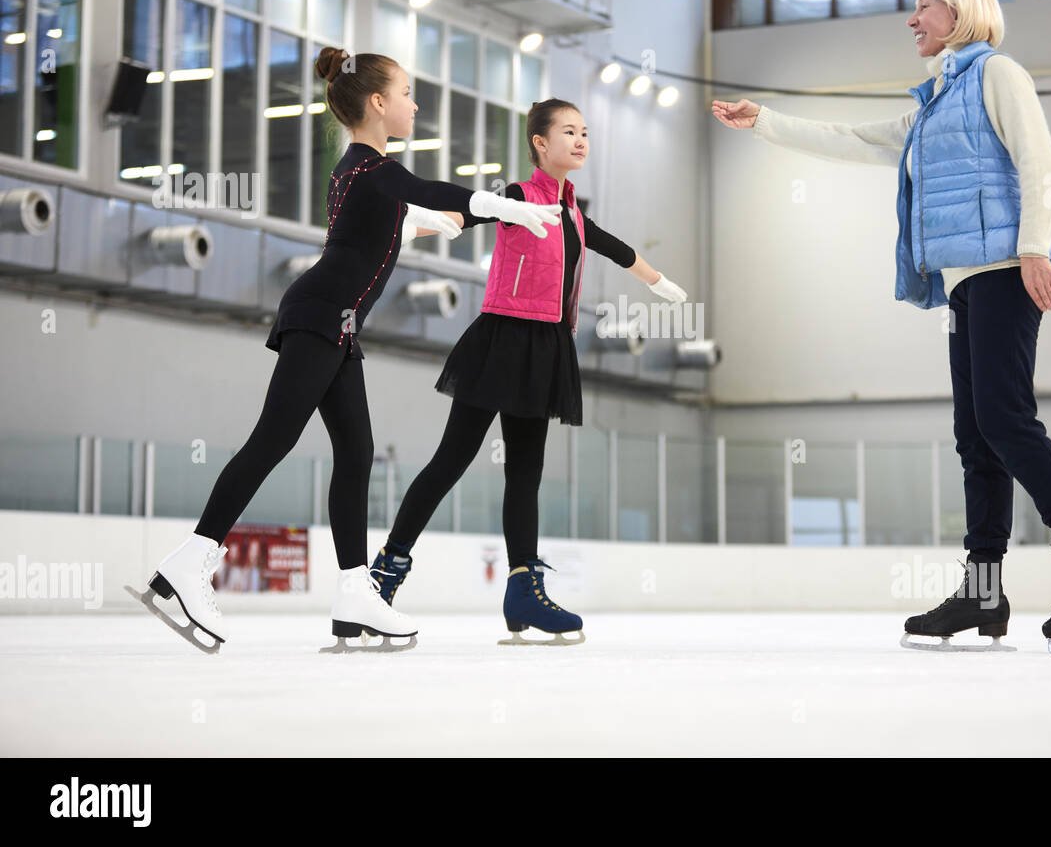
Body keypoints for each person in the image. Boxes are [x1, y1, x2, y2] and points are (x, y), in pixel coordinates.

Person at [712, 0, 1051, 652]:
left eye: (924, 6)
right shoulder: (935, 104)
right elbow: (852, 140)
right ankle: (983, 593)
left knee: (1004, 417)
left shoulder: (999, 75)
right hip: (967, 283)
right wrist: (764, 121)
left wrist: (1035, 248)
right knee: (976, 435)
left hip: (1005, 270)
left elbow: (1040, 161)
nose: (913, 19)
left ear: (961, 11)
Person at [131, 48, 560, 652]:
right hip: (320, 314)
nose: (416, 104)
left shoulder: (356, 172)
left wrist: (420, 225)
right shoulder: (374, 166)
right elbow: (422, 187)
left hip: (337, 321)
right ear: (379, 104)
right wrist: (499, 204)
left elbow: (375, 227)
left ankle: (356, 589)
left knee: (356, 451)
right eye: (408, 93)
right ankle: (191, 560)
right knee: (274, 438)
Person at [368, 97, 689, 646]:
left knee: (526, 472)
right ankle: (384, 572)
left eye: (586, 131)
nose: (581, 139)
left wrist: (658, 282)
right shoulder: (516, 198)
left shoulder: (574, 214)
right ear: (540, 143)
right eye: (569, 131)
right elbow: (461, 216)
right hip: (502, 337)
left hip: (547, 344)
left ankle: (523, 589)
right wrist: (395, 227)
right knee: (452, 459)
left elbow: (615, 249)